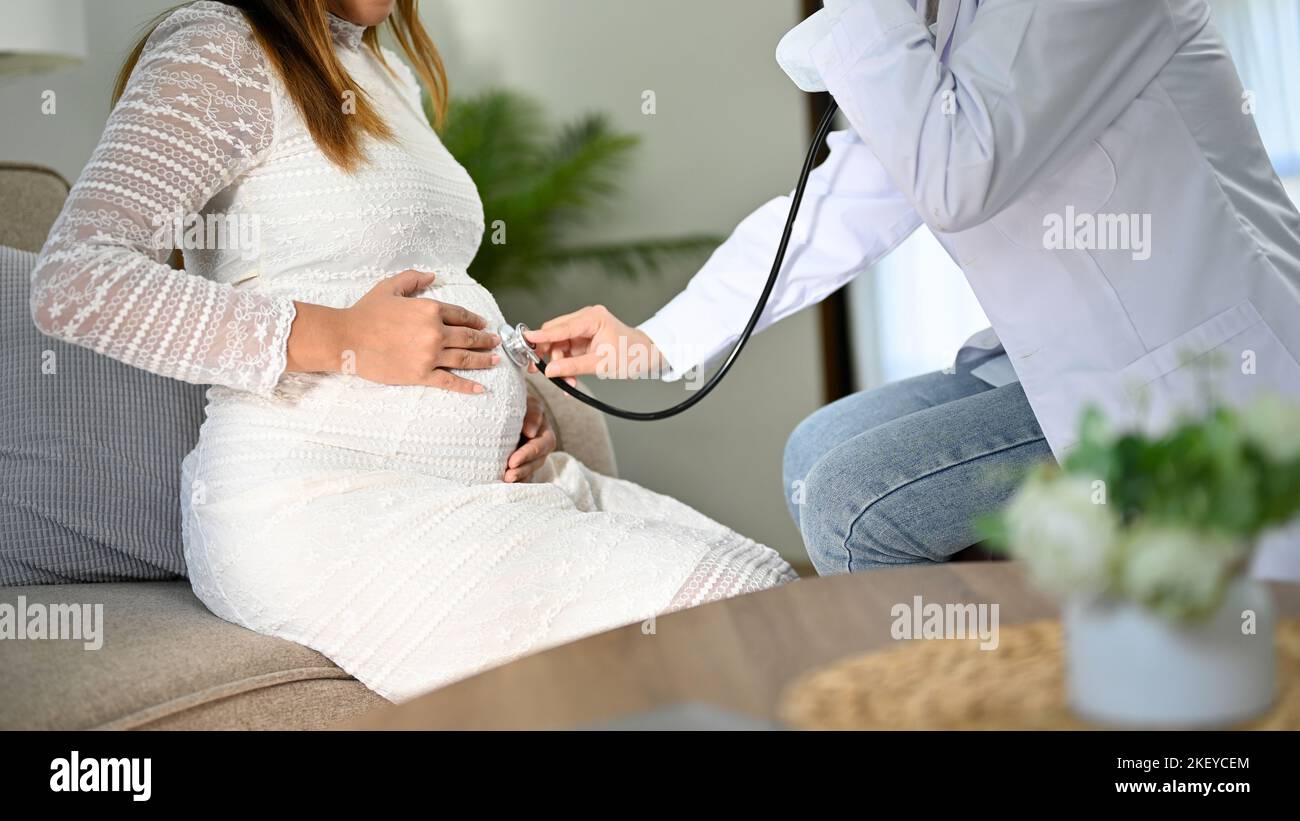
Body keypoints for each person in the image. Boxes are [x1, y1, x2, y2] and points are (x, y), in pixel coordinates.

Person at [29, 0, 795, 702]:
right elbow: (75, 281)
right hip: (315, 506)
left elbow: (417, 278)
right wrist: (342, 337)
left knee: (785, 602)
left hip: (479, 489)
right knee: (730, 616)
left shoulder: (382, 68)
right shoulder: (217, 49)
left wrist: (513, 408)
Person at [527, 0, 1300, 577]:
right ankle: (1026, 662)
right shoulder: (958, 24)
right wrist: (656, 338)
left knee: (854, 506)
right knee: (815, 450)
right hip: (1080, 370)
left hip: (1208, 374)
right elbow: (838, 210)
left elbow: (956, 174)